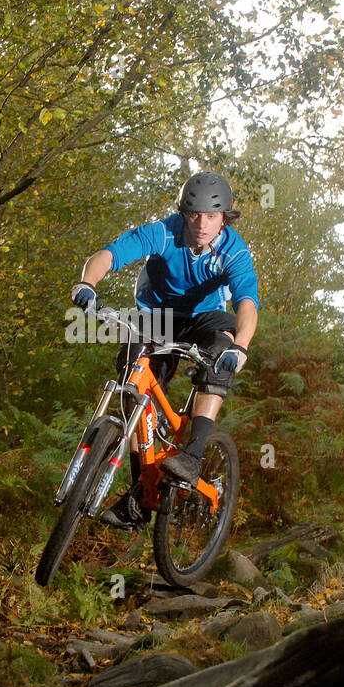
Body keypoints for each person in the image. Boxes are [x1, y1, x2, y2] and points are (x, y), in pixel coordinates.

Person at [69, 171, 260, 528]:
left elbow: (247, 302)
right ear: (184, 212)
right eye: (194, 215)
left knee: (223, 350)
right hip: (154, 316)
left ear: (225, 217)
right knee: (132, 384)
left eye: (212, 216)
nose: (202, 224)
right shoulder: (163, 232)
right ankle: (141, 495)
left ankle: (192, 454)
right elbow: (110, 254)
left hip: (205, 318)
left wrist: (242, 347)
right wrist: (87, 283)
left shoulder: (234, 250)